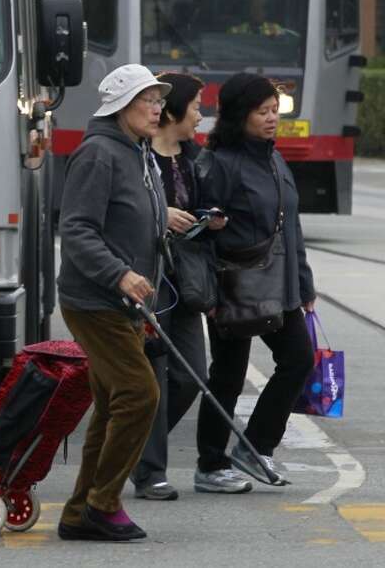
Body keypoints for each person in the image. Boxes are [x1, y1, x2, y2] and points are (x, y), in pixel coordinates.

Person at [55, 64, 168, 542]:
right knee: (140, 395)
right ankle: (103, 503)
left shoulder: (138, 152)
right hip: (95, 299)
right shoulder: (100, 153)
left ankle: (80, 512)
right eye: (149, 100)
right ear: (122, 106)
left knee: (110, 404)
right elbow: (76, 228)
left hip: (121, 303)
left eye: (160, 100)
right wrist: (119, 273)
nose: (159, 108)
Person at [194, 73, 316, 491]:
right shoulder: (220, 163)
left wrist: (305, 285)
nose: (271, 119)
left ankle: (256, 446)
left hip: (279, 285)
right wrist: (208, 290)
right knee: (228, 372)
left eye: (273, 111)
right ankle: (210, 465)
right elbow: (200, 229)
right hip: (236, 283)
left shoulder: (274, 157)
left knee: (299, 358)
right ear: (237, 115)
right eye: (261, 112)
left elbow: (291, 227)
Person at [130, 72, 227, 501]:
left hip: (185, 282)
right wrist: (160, 214)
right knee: (153, 376)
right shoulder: (134, 154)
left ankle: (129, 448)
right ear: (172, 111)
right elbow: (121, 212)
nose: (201, 116)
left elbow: (202, 210)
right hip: (146, 281)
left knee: (190, 376)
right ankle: (149, 470)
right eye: (196, 107)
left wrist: (209, 219)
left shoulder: (196, 158)